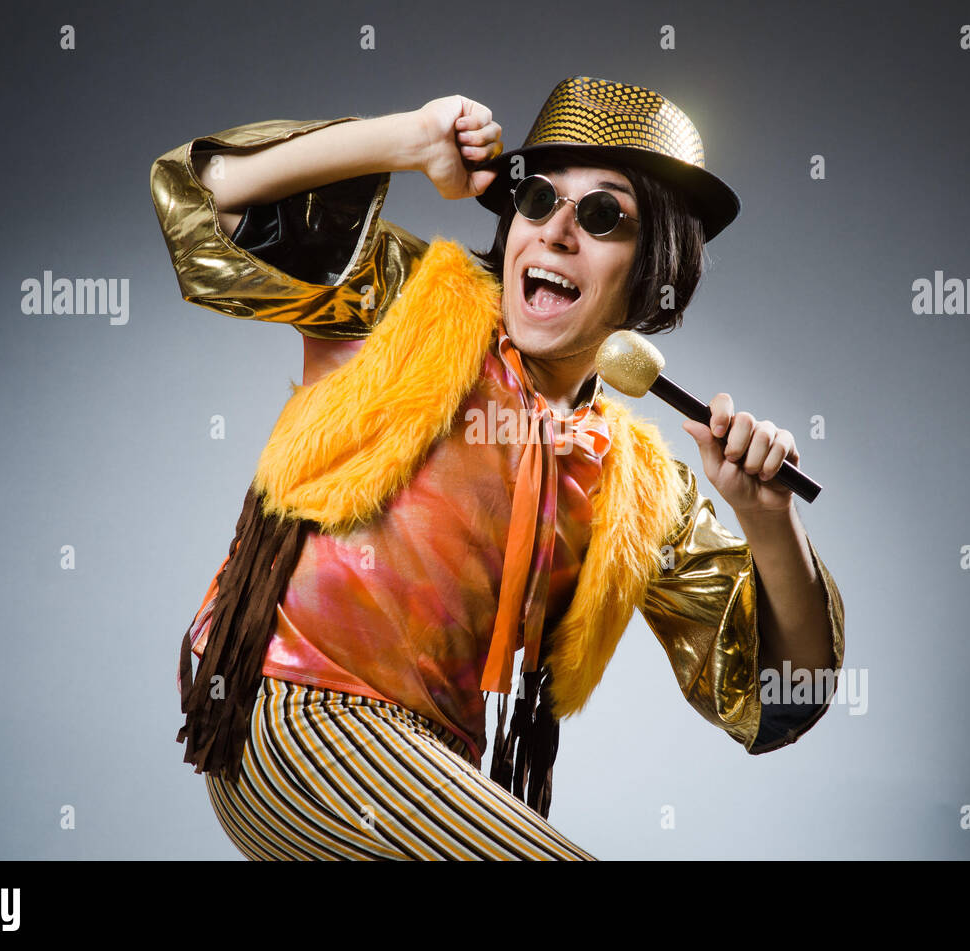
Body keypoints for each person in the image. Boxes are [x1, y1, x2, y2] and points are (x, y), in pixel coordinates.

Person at [149, 76, 845, 861]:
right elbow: (209, 203)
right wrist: (399, 140)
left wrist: (768, 520)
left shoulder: (638, 483)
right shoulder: (410, 301)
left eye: (603, 214)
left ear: (654, 269)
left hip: (435, 769)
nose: (554, 231)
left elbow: (783, 698)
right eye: (538, 199)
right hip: (297, 716)